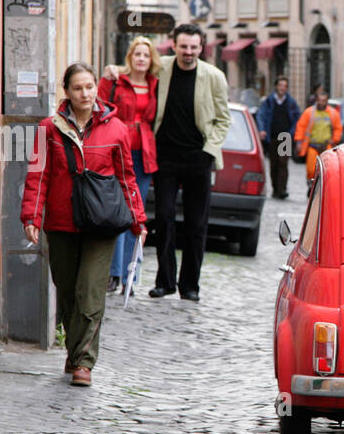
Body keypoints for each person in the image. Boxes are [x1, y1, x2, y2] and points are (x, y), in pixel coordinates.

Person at [21, 62, 146, 387]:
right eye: (78, 88)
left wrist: (138, 220)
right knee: (67, 294)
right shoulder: (49, 128)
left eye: (90, 86)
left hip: (101, 224)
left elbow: (126, 178)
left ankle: (84, 363)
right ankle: (75, 350)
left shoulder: (116, 129)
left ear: (96, 88)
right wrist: (32, 217)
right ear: (67, 92)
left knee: (90, 291)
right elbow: (38, 175)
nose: (85, 93)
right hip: (61, 223)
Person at [105, 22, 230, 301]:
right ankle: (165, 281)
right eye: (183, 46)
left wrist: (209, 150)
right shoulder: (162, 68)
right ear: (174, 45)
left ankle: (190, 286)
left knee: (197, 224)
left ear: (201, 48)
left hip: (199, 157)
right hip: (165, 157)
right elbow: (135, 71)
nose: (188, 52)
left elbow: (223, 119)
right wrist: (112, 70)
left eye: (193, 47)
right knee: (163, 218)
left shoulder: (214, 76)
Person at [98, 36, 160, 295]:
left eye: (146, 55)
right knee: (116, 214)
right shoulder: (116, 82)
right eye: (137, 54)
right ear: (130, 58)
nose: (142, 59)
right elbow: (98, 106)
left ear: (151, 59)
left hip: (143, 154)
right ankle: (113, 274)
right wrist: (105, 74)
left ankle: (130, 276)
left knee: (136, 215)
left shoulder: (156, 84)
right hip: (117, 152)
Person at [255, 75, 300, 200]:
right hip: (272, 136)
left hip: (285, 136)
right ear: (276, 86)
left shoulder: (290, 102)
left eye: (285, 86)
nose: (282, 88)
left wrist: (292, 132)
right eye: (280, 85)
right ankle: (275, 189)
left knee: (283, 163)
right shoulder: (269, 101)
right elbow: (261, 115)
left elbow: (297, 117)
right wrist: (261, 129)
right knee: (273, 164)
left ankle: (282, 190)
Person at [293, 86, 342, 188]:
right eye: (319, 100)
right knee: (311, 169)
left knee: (327, 169)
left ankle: (324, 187)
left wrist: (335, 140)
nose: (321, 102)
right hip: (312, 146)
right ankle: (311, 186)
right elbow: (301, 127)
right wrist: (298, 142)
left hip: (327, 146)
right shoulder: (309, 112)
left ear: (327, 101)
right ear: (316, 100)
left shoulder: (333, 114)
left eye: (323, 100)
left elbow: (338, 128)